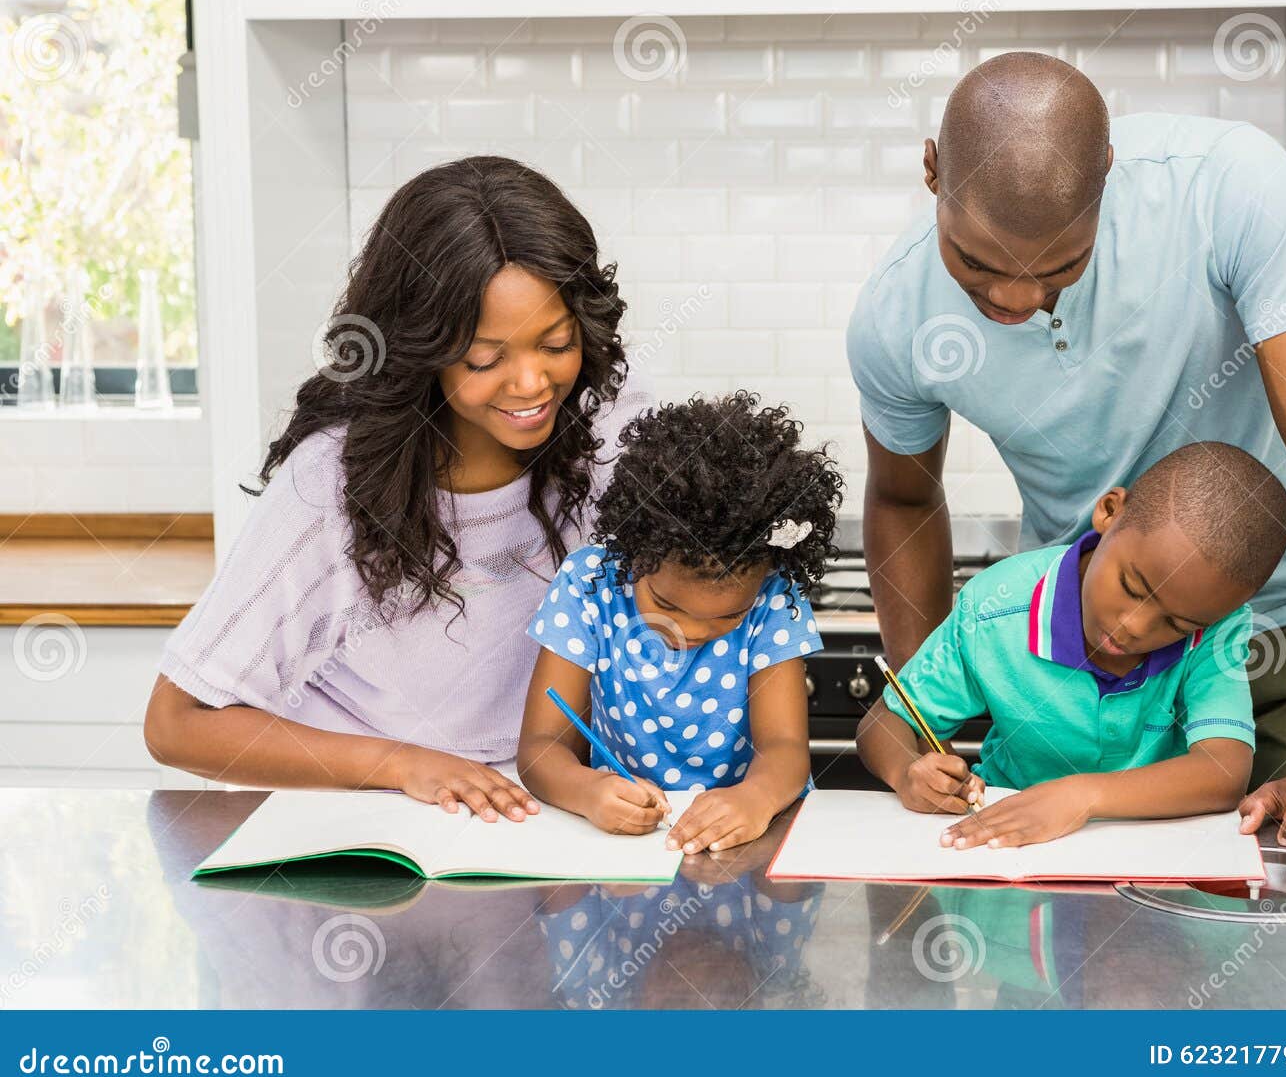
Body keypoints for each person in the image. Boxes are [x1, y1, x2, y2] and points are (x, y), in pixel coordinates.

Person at [848, 53, 1286, 856]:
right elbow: (903, 498)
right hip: (1064, 670)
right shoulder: (894, 316)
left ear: (1107, 178)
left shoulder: (1227, 189)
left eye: (1060, 267)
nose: (1014, 299)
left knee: (1279, 925)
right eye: (976, 263)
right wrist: (924, 716)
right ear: (931, 172)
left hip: (1269, 637)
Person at [145, 156, 647, 820]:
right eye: (484, 359)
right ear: (421, 346)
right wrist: (401, 763)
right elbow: (177, 722)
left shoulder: (607, 435)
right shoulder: (331, 486)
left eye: (555, 343)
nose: (530, 384)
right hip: (376, 824)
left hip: (547, 821)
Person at [858, 442, 1286, 848]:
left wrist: (1081, 796)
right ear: (1108, 513)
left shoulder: (1218, 626)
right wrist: (905, 772)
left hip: (1151, 857)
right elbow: (884, 722)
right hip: (1006, 851)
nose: (1134, 626)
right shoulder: (996, 607)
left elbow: (1223, 771)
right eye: (1131, 586)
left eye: (1176, 623)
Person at [518, 392, 842, 855]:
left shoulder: (775, 592)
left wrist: (755, 798)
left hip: (748, 842)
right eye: (666, 604)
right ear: (634, 555)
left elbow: (786, 748)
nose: (690, 631)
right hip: (624, 848)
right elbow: (541, 747)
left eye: (730, 615)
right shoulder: (590, 584)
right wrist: (586, 791)